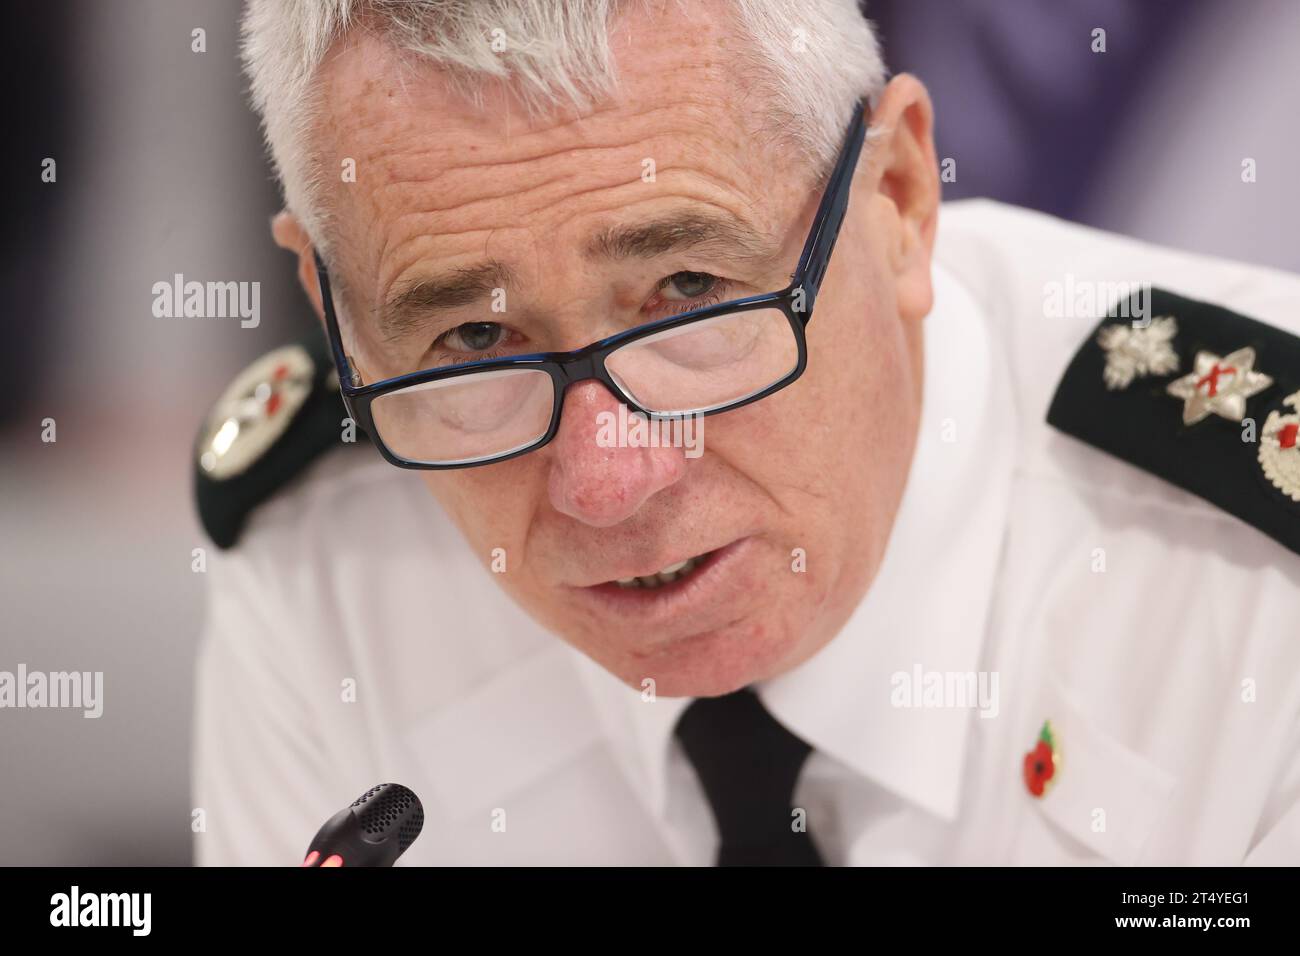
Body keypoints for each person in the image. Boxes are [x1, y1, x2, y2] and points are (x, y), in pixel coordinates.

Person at [191, 0, 1300, 865]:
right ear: (333, 313)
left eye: (689, 292)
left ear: (900, 198)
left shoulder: (1251, 584)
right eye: (473, 339)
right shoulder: (322, 562)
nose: (605, 478)